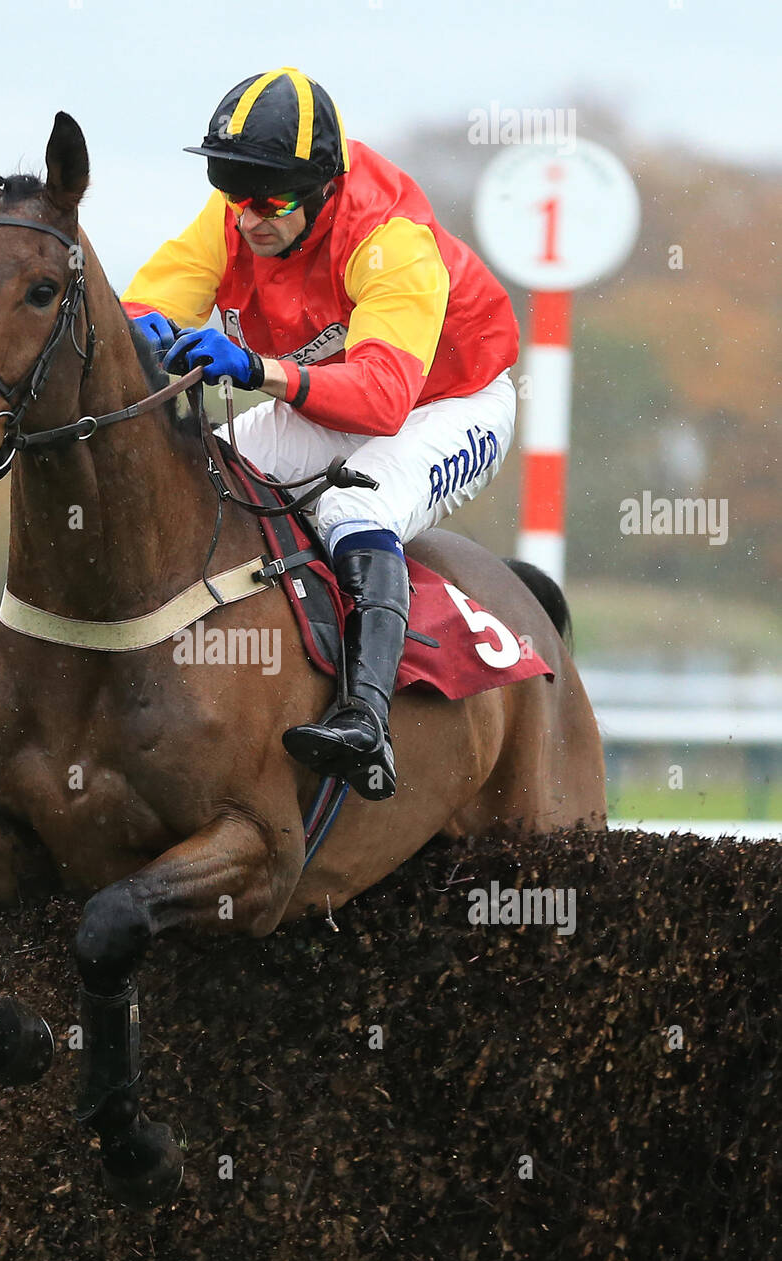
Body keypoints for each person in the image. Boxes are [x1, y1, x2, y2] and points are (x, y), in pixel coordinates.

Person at [121, 67, 519, 799]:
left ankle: (364, 723)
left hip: (447, 403)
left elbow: (381, 399)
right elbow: (151, 300)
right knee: (190, 475)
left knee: (350, 509)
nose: (248, 220)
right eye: (234, 198)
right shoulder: (239, 211)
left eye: (268, 204)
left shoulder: (388, 240)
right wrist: (138, 328)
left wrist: (250, 367)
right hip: (331, 397)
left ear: (325, 188)